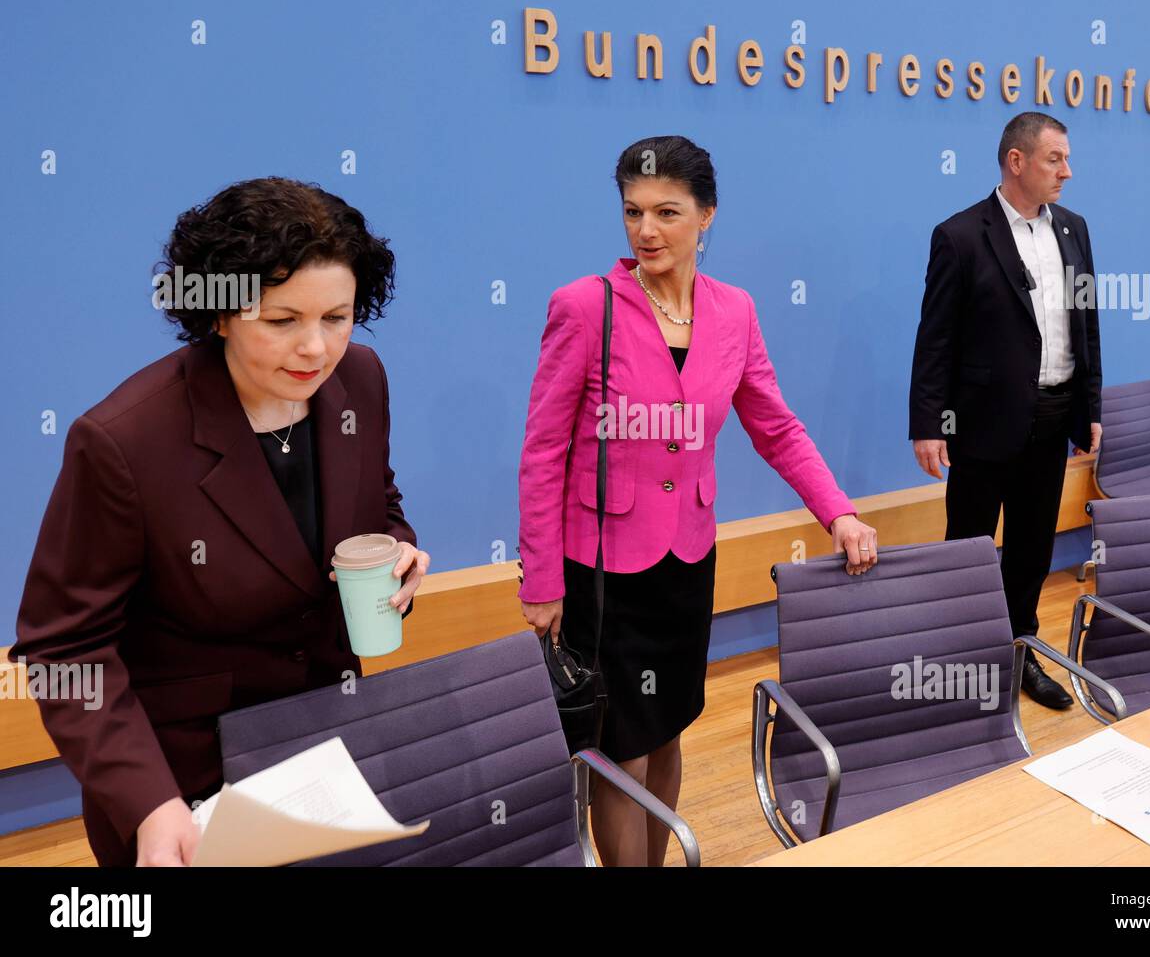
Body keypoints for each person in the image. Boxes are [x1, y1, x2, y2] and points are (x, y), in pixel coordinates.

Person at [11, 177, 430, 866]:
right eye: (281, 320)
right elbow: (63, 652)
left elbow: (377, 502)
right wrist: (148, 801)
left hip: (325, 751)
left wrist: (401, 549)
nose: (316, 350)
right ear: (220, 314)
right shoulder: (124, 441)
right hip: (186, 784)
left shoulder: (361, 378)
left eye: (337, 316)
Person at [517, 135, 877, 866]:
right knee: (620, 745)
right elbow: (543, 451)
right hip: (605, 572)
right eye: (633, 212)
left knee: (668, 723)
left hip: (687, 557)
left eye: (667, 212)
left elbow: (774, 425)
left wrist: (836, 511)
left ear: (707, 215)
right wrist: (540, 579)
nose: (646, 230)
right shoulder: (586, 308)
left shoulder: (734, 312)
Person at [908, 112, 1102, 709]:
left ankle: (1019, 655)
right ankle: (959, 668)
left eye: (1067, 159)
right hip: (981, 423)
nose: (1067, 172)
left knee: (1030, 550)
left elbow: (1086, 325)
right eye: (1054, 160)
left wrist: (1089, 405)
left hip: (1052, 418)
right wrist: (927, 423)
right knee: (968, 547)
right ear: (1016, 162)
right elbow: (935, 337)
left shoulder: (1073, 230)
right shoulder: (961, 235)